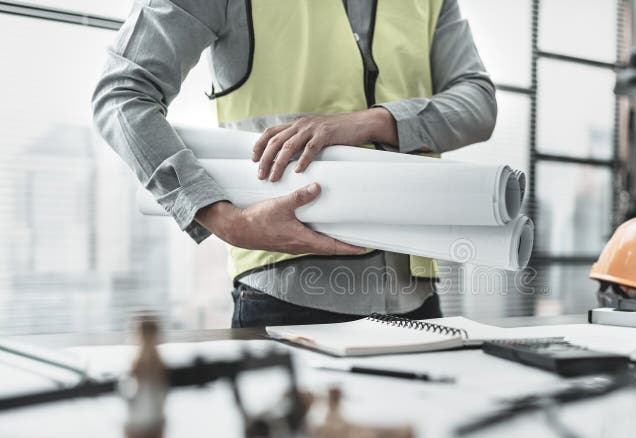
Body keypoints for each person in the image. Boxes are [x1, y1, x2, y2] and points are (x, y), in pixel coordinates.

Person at [93, 0, 497, 327]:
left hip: (417, 297)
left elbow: (478, 103)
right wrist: (225, 219)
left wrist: (371, 121)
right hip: (284, 300)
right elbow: (122, 93)